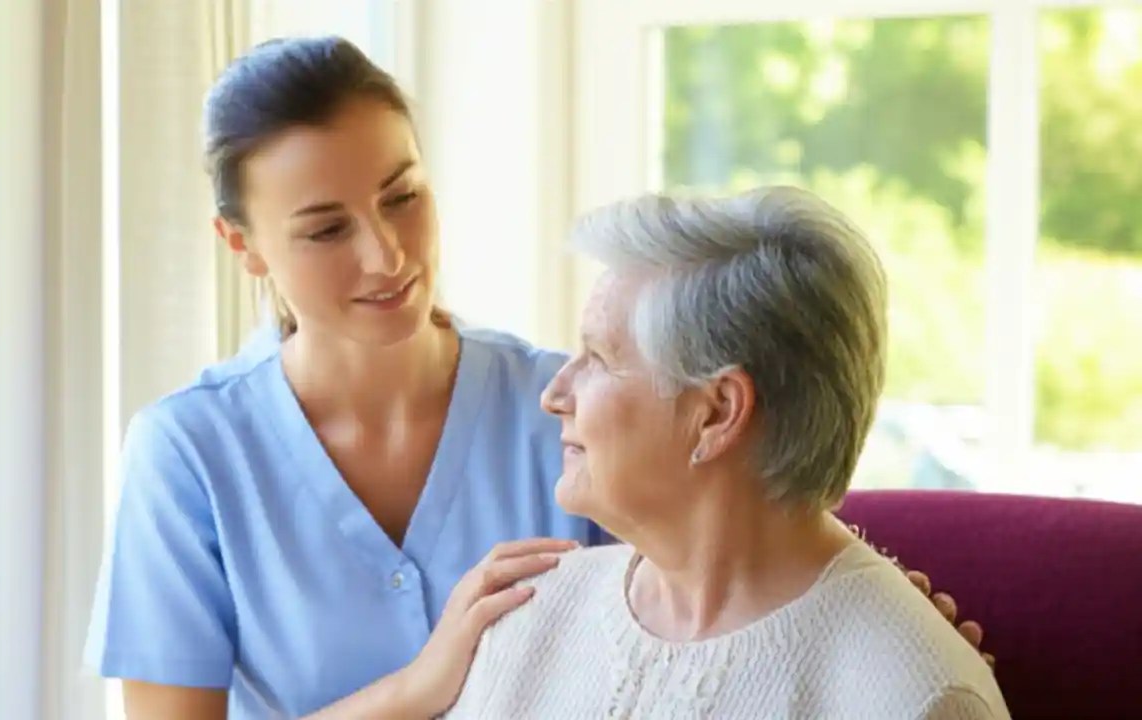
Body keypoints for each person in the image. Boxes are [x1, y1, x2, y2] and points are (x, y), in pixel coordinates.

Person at [83, 36, 991, 719]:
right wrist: (417, 687)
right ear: (242, 246)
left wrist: (863, 624)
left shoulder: (574, 409)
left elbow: (736, 529)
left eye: (403, 195)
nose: (386, 253)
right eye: (325, 229)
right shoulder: (190, 452)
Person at [445, 187, 1009, 719]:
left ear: (716, 412)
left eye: (597, 357)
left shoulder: (912, 694)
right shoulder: (525, 614)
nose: (554, 395)